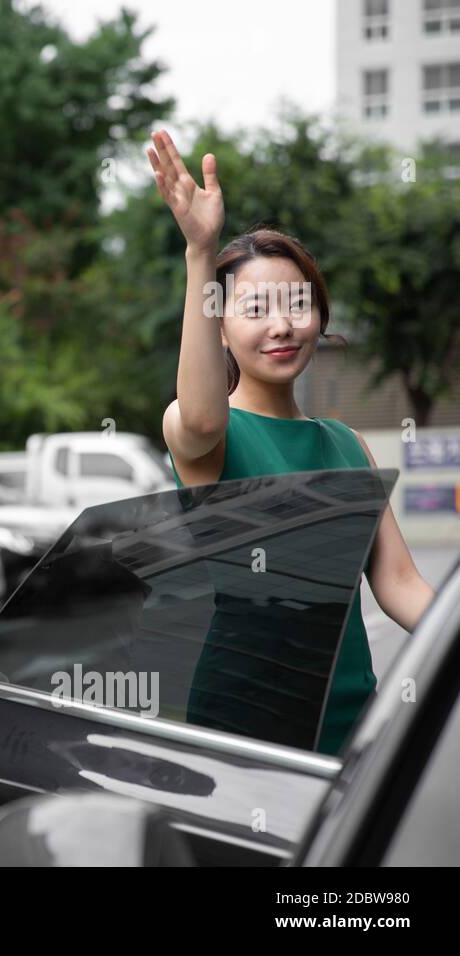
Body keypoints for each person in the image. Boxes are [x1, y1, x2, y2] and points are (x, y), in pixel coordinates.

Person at [147, 129, 435, 754]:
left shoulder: (345, 442)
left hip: (355, 720)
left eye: (296, 305)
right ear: (219, 327)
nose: (281, 325)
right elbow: (200, 423)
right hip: (244, 732)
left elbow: (401, 586)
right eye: (255, 309)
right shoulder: (201, 431)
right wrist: (201, 250)